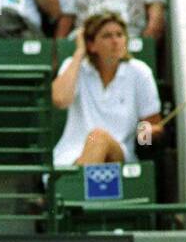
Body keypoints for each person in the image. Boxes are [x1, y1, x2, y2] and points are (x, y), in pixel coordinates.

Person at [51, 10, 159, 167]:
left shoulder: (140, 72)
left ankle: (77, 188)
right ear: (91, 45)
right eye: (107, 36)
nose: (115, 41)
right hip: (72, 153)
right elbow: (60, 100)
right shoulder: (73, 66)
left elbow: (151, 123)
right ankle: (78, 185)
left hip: (119, 153)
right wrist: (79, 53)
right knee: (96, 139)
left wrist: (146, 135)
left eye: (120, 35)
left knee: (98, 136)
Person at [70, 0, 164, 41]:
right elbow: (67, 15)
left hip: (131, 38)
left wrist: (145, 45)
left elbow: (156, 21)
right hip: (87, 40)